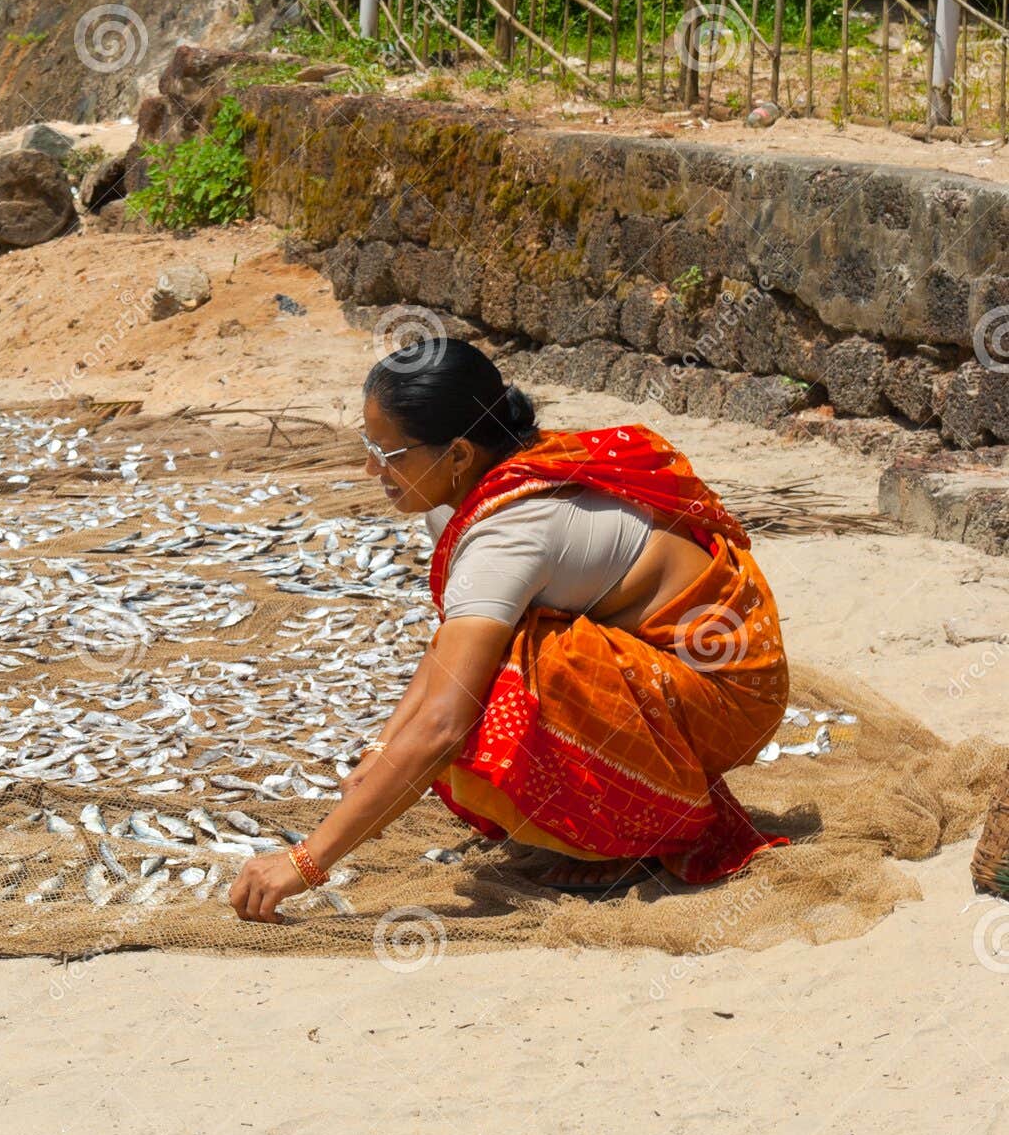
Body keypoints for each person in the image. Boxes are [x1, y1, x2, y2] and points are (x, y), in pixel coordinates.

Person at [230, 339, 789, 924]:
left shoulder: (507, 534)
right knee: (476, 669)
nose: (373, 469)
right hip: (678, 664)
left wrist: (307, 861)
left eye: (388, 452)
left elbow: (445, 722)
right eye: (368, 446)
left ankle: (632, 839)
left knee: (500, 685)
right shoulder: (469, 488)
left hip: (725, 693)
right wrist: (382, 748)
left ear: (458, 454)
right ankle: (616, 815)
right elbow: (450, 645)